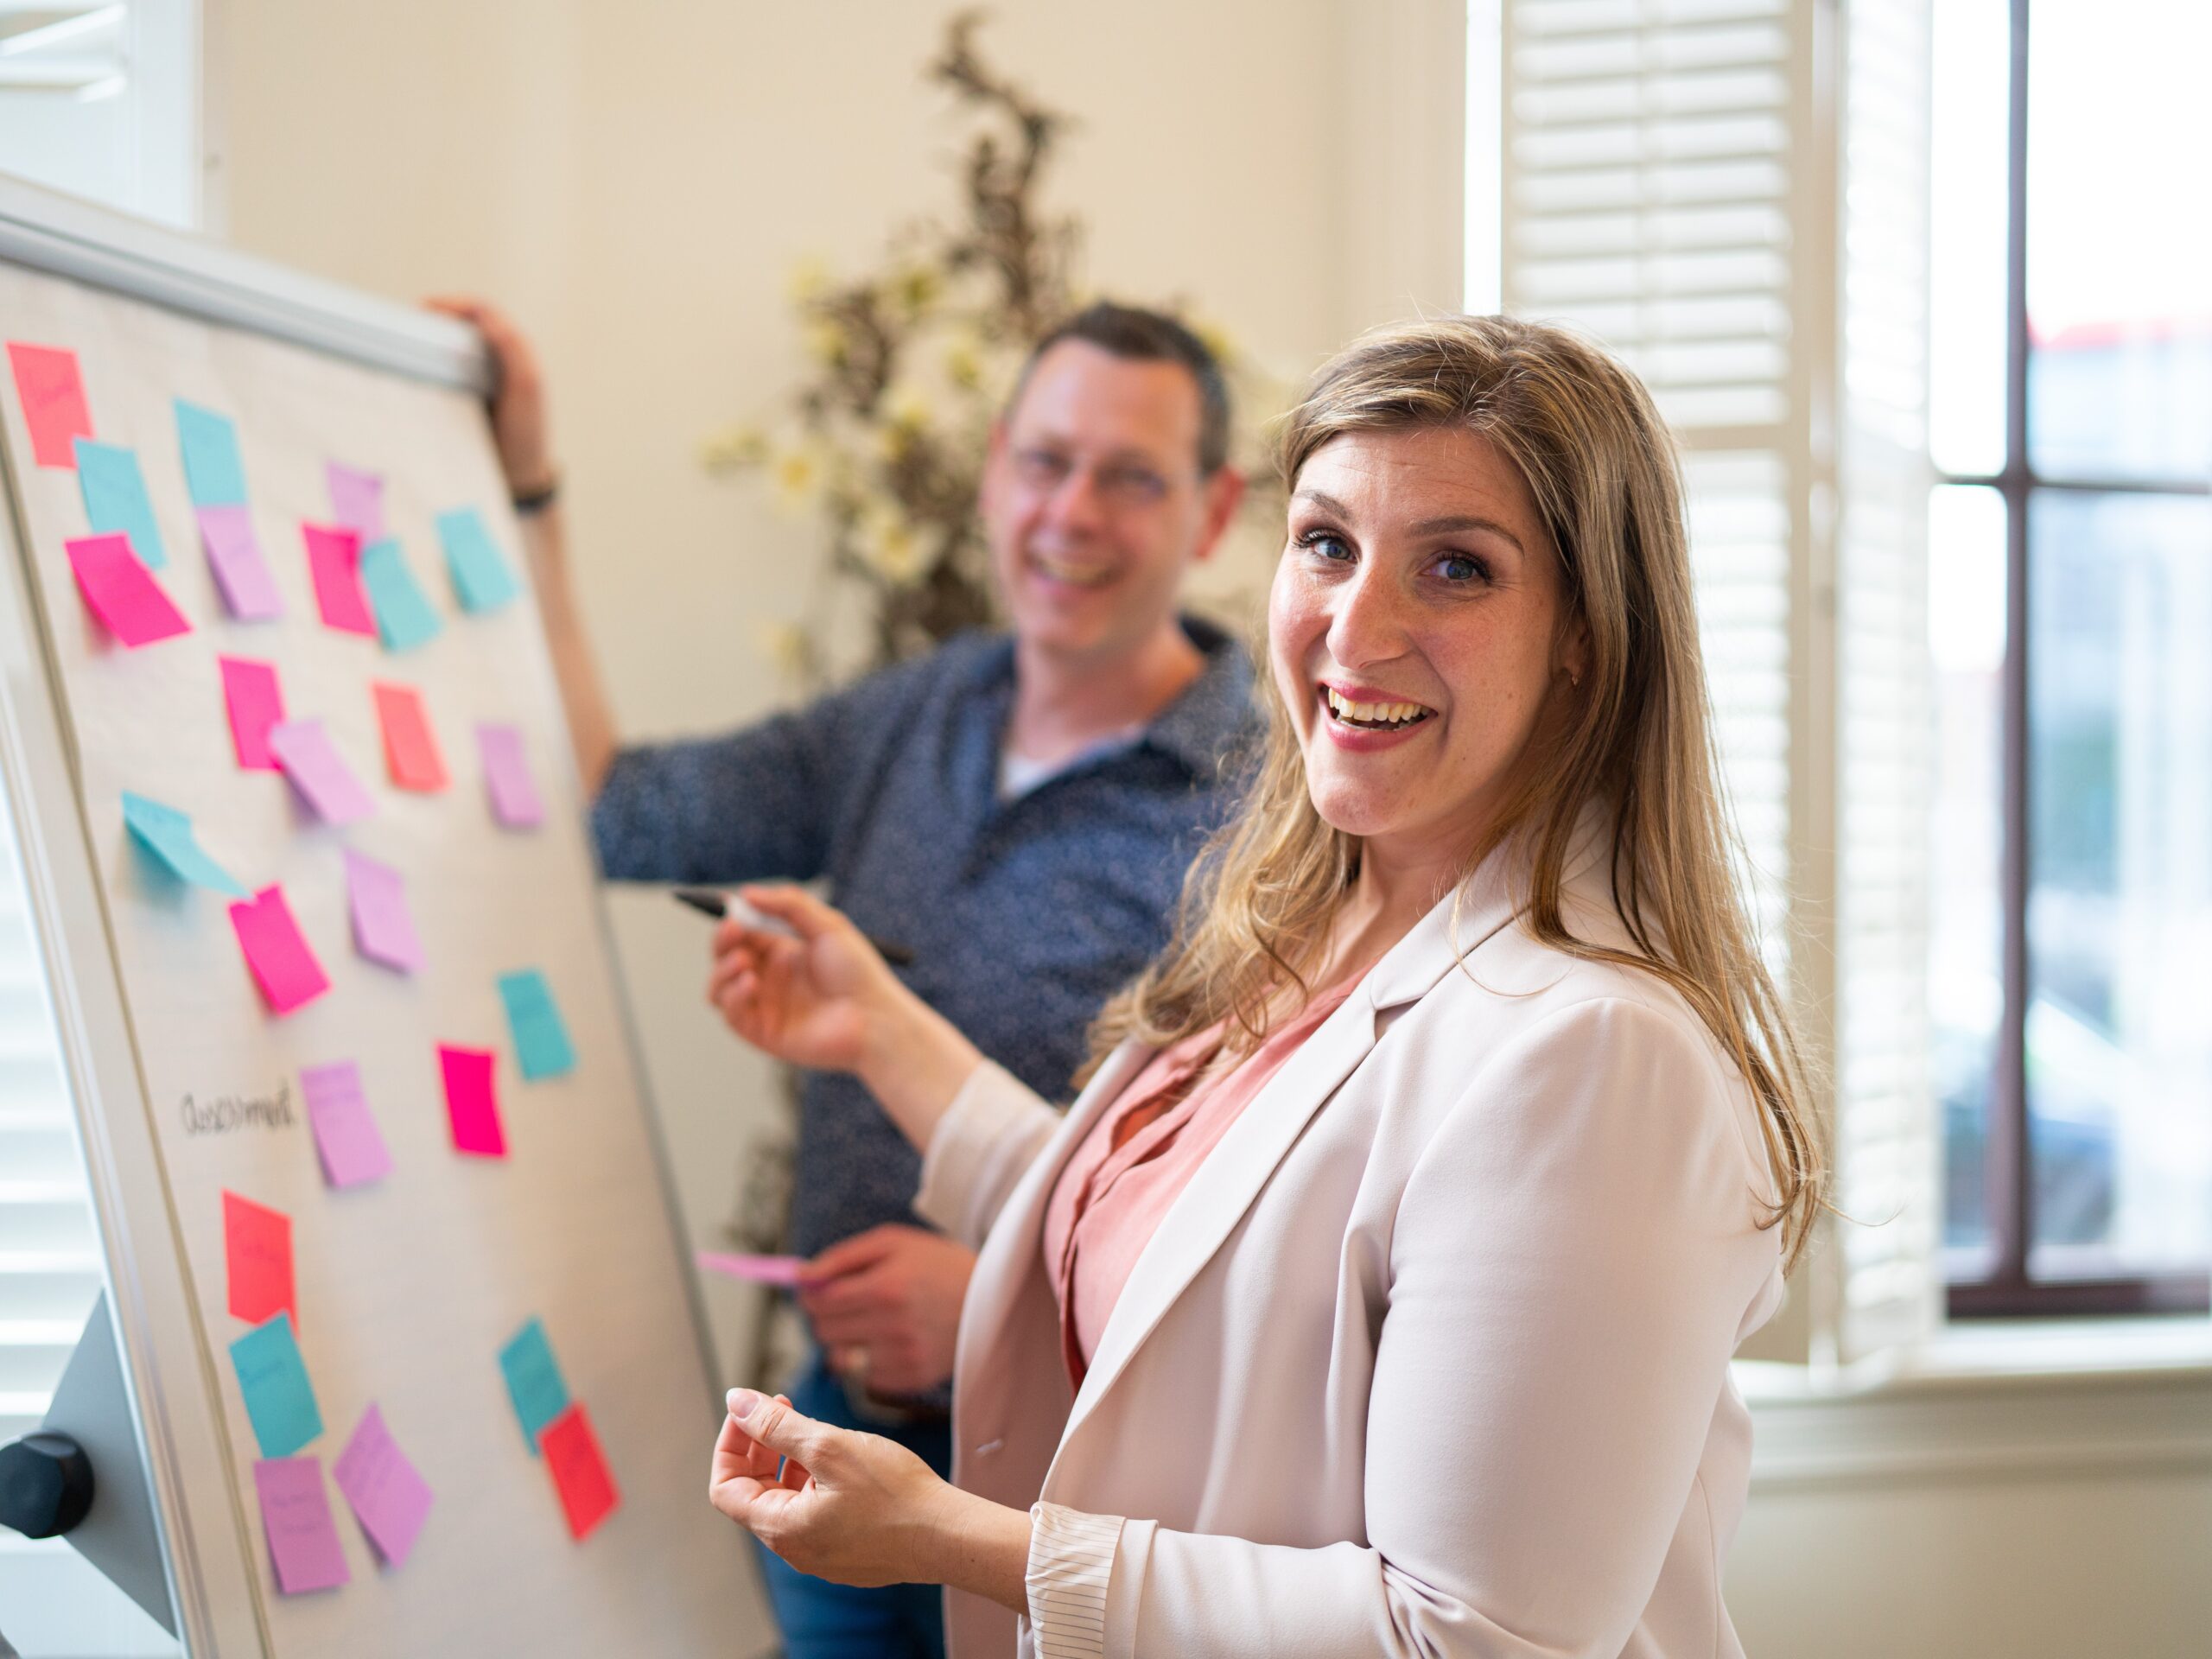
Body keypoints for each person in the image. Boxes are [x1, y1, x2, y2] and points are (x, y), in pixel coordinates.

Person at [698, 315, 1827, 1657]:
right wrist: (875, 1030)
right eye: (1328, 545)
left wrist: (946, 1536)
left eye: (1456, 569)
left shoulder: (1593, 1052)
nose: (1359, 626)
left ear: (1587, 636)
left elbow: (1465, 1637)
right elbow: (1164, 1250)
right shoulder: (1311, 926)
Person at [429, 296, 1257, 1659]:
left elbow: (1250, 1230)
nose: (1073, 514)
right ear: (993, 469)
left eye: (1133, 478)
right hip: (836, 1454)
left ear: (1213, 511)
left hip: (1085, 1498)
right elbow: (611, 806)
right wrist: (529, 485)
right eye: (1047, 461)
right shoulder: (911, 715)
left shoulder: (1270, 815)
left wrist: (1003, 1307)